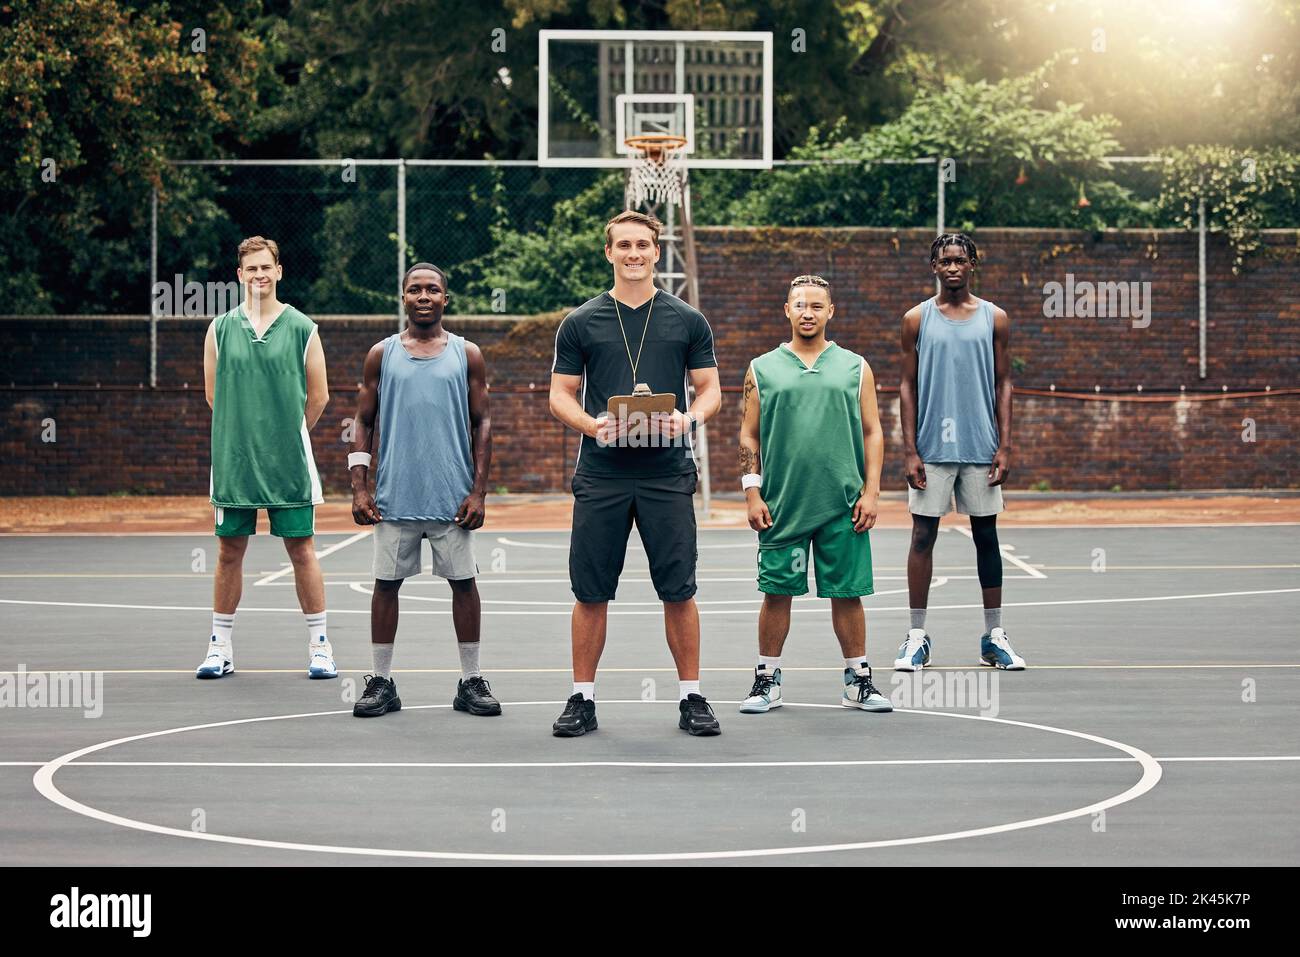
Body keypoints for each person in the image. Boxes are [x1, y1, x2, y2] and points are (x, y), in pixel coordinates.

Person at [548, 211, 723, 737]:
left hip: (666, 471)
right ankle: (583, 698)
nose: (634, 253)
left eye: (643, 244)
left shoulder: (688, 320)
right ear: (609, 252)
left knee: (679, 588)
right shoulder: (580, 322)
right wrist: (591, 425)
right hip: (602, 471)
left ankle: (691, 696)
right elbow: (560, 395)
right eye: (623, 245)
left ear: (657, 250)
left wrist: (687, 419)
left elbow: (712, 389)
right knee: (590, 590)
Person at [737, 275, 891, 714]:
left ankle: (858, 679)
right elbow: (749, 436)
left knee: (847, 592)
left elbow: (873, 432)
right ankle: (766, 679)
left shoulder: (856, 366)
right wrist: (753, 493)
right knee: (777, 592)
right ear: (786, 310)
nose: (808, 313)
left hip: (843, 504)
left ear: (830, 312)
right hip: (783, 504)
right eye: (800, 305)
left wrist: (873, 491)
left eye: (816, 306)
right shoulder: (761, 368)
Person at [347, 263, 496, 717]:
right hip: (395, 497)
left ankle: (471, 681)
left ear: (445, 299)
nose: (424, 296)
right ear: (404, 298)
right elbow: (363, 422)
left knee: (464, 584)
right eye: (416, 290)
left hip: (452, 498)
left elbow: (482, 422)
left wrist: (479, 491)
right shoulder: (382, 354)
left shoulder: (467, 354)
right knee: (386, 585)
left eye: (433, 289)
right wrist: (359, 488)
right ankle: (382, 682)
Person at [197, 236, 334, 679]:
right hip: (234, 460)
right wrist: (246, 436)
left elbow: (319, 397)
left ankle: (319, 646)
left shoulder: (303, 328)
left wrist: (282, 436)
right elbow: (213, 395)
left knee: (302, 549)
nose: (258, 274)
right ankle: (220, 647)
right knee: (228, 552)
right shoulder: (218, 329)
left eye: (265, 267)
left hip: (288, 461)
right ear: (239, 275)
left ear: (279, 271)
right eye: (250, 268)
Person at [896, 233, 1026, 672]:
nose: (953, 267)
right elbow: (906, 385)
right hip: (931, 446)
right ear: (934, 266)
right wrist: (909, 449)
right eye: (945, 261)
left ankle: (994, 636)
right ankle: (916, 636)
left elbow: (1003, 382)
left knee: (986, 537)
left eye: (960, 260)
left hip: (980, 445)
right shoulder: (916, 319)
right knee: (921, 537)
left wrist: (1005, 445)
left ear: (973, 264)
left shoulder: (995, 318)